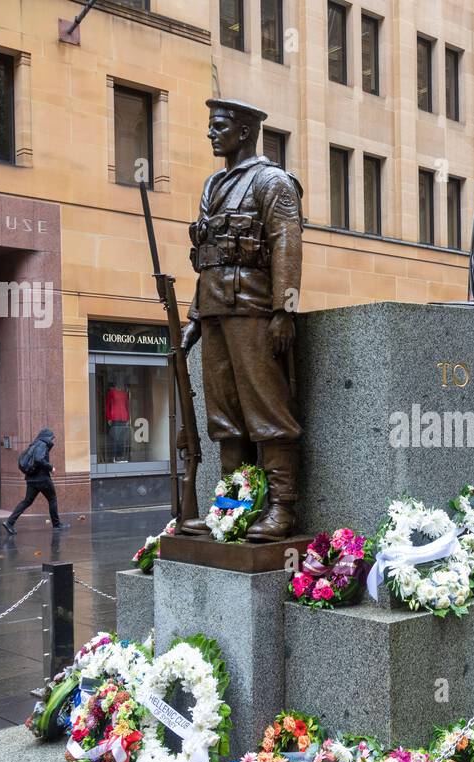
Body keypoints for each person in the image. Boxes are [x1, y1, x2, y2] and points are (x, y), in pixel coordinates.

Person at [182, 98, 305, 541]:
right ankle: (231, 507)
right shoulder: (213, 184)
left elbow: (287, 247)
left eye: (218, 126)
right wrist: (195, 317)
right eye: (210, 126)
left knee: (267, 411)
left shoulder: (273, 182)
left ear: (245, 131)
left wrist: (283, 311)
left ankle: (282, 509)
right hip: (215, 310)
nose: (211, 134)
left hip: (253, 309)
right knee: (226, 416)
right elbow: (207, 257)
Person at [3, 428, 68, 534]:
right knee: (52, 499)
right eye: (52, 438)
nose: (52, 440)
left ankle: (9, 522)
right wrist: (50, 467)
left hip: (31, 479)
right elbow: (39, 459)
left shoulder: (34, 444)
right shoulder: (43, 444)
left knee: (27, 501)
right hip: (42, 478)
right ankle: (56, 524)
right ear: (47, 437)